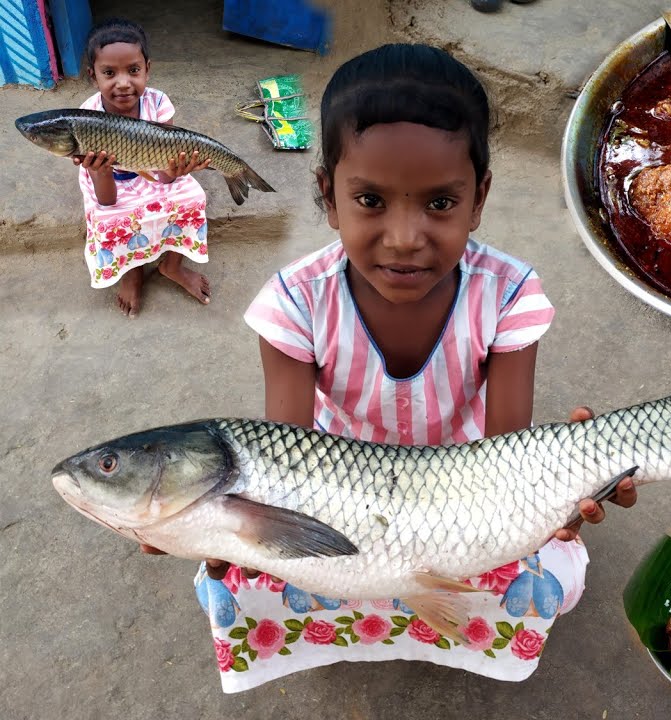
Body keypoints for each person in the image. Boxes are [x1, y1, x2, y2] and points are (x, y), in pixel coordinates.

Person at [172, 43, 636, 692]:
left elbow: (507, 457)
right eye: (370, 201)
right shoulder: (293, 303)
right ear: (327, 197)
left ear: (479, 199)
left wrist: (564, 475)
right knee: (228, 586)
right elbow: (283, 467)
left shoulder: (509, 294)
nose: (404, 236)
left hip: (467, 492)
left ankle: (404, 606)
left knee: (555, 574)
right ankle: (396, 603)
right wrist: (209, 530)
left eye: (441, 204)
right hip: (336, 493)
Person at [74, 18, 213, 317]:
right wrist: (100, 171)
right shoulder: (87, 117)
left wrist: (176, 170)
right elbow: (107, 199)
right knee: (111, 217)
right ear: (93, 76)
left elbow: (165, 173)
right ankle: (130, 272)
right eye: (109, 73)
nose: (123, 82)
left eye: (133, 70)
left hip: (153, 170)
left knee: (192, 198)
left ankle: (171, 266)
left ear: (147, 68)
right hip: (107, 177)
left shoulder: (158, 103)